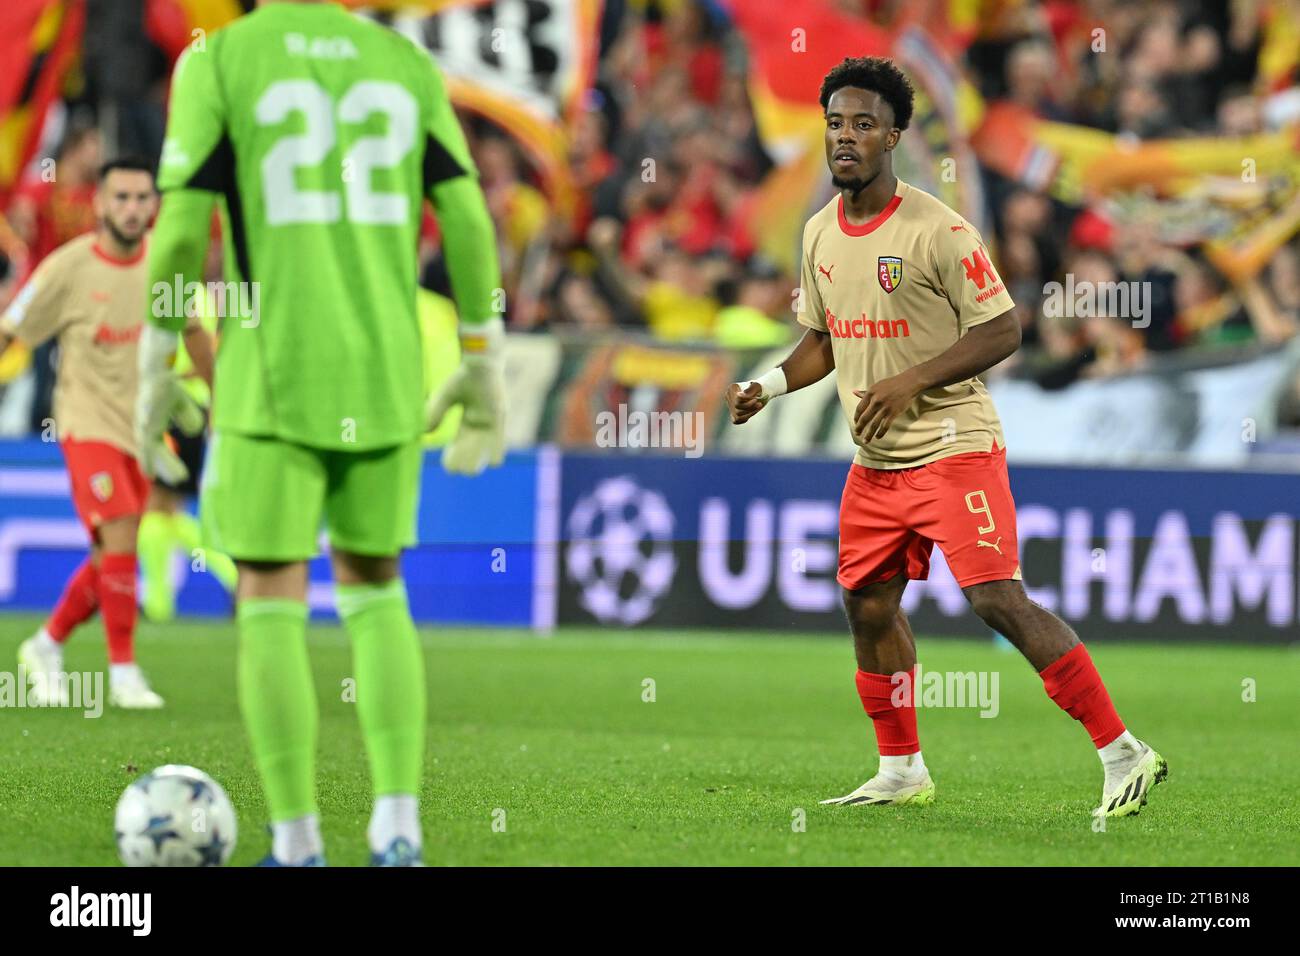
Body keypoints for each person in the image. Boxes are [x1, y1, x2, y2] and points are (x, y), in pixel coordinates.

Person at [725, 57, 1166, 820]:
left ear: (894, 135)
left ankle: (1123, 751)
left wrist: (908, 381)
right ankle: (900, 771)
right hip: (877, 461)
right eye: (835, 123)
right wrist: (767, 384)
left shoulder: (938, 228)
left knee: (995, 597)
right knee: (866, 606)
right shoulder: (820, 232)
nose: (846, 138)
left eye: (864, 125)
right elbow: (822, 339)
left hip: (952, 443)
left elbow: (1002, 328)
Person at [138, 0, 505, 866]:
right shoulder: (404, 63)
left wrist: (157, 355)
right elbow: (470, 222)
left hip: (272, 371)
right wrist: (483, 355)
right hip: (383, 373)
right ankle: (397, 830)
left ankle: (299, 843)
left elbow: (183, 230)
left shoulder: (219, 62)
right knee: (378, 592)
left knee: (268, 594)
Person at [1, 156, 206, 709]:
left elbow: (194, 333)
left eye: (143, 198)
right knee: (119, 533)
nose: (133, 209)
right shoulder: (66, 269)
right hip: (83, 424)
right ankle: (123, 674)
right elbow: (12, 329)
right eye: (121, 197)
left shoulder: (167, 267)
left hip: (140, 432)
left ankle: (46, 643)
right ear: (99, 203)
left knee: (113, 556)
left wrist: (226, 402)